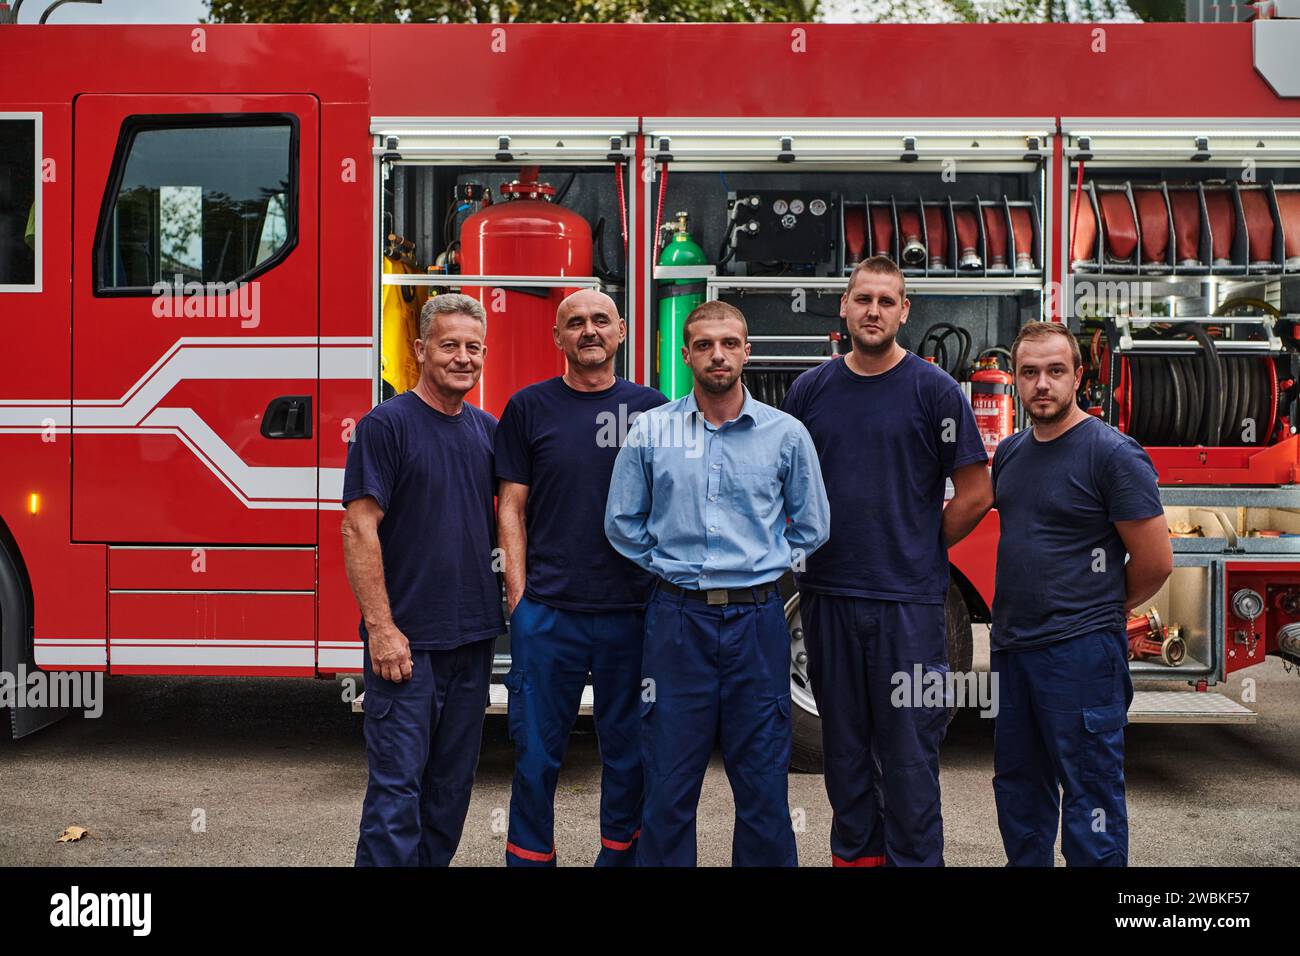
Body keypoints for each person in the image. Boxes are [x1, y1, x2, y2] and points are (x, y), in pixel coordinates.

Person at [782, 255, 993, 867]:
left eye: (886, 301)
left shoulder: (935, 390)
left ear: (905, 311)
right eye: (862, 299)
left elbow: (977, 491)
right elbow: (787, 484)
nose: (873, 311)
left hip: (908, 607)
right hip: (828, 600)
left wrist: (919, 544)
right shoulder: (810, 391)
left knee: (907, 760)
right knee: (844, 760)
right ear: (844, 308)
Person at [605, 299, 830, 867]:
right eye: (704, 344)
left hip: (758, 622)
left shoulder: (785, 435)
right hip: (677, 621)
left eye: (729, 343)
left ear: (747, 351)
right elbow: (621, 522)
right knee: (669, 782)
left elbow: (813, 525)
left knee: (762, 783)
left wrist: (765, 562)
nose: (718, 354)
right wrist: (670, 567)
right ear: (685, 354)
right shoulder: (651, 432)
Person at [495, 289, 667, 866]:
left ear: (621, 331)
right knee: (536, 753)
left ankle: (617, 858)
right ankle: (528, 859)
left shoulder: (653, 408)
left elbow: (670, 505)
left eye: (599, 321)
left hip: (634, 613)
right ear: (558, 338)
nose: (588, 331)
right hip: (549, 612)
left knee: (629, 752)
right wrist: (519, 599)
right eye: (575, 323)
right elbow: (511, 508)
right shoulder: (528, 408)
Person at [990, 321, 1171, 867]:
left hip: (1081, 656)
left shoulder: (1112, 454)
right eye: (1029, 373)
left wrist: (1098, 615)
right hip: (1014, 650)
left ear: (1077, 377)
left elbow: (1156, 562)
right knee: (1020, 796)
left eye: (1055, 371)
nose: (1041, 384)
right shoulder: (1011, 453)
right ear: (1017, 381)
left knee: (1091, 800)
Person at [341, 293, 505, 867]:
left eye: (473, 347)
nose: (462, 357)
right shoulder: (385, 427)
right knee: (396, 795)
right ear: (419, 350)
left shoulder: (487, 430)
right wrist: (382, 629)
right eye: (449, 345)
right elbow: (358, 530)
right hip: (407, 648)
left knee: (450, 793)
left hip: (473, 641)